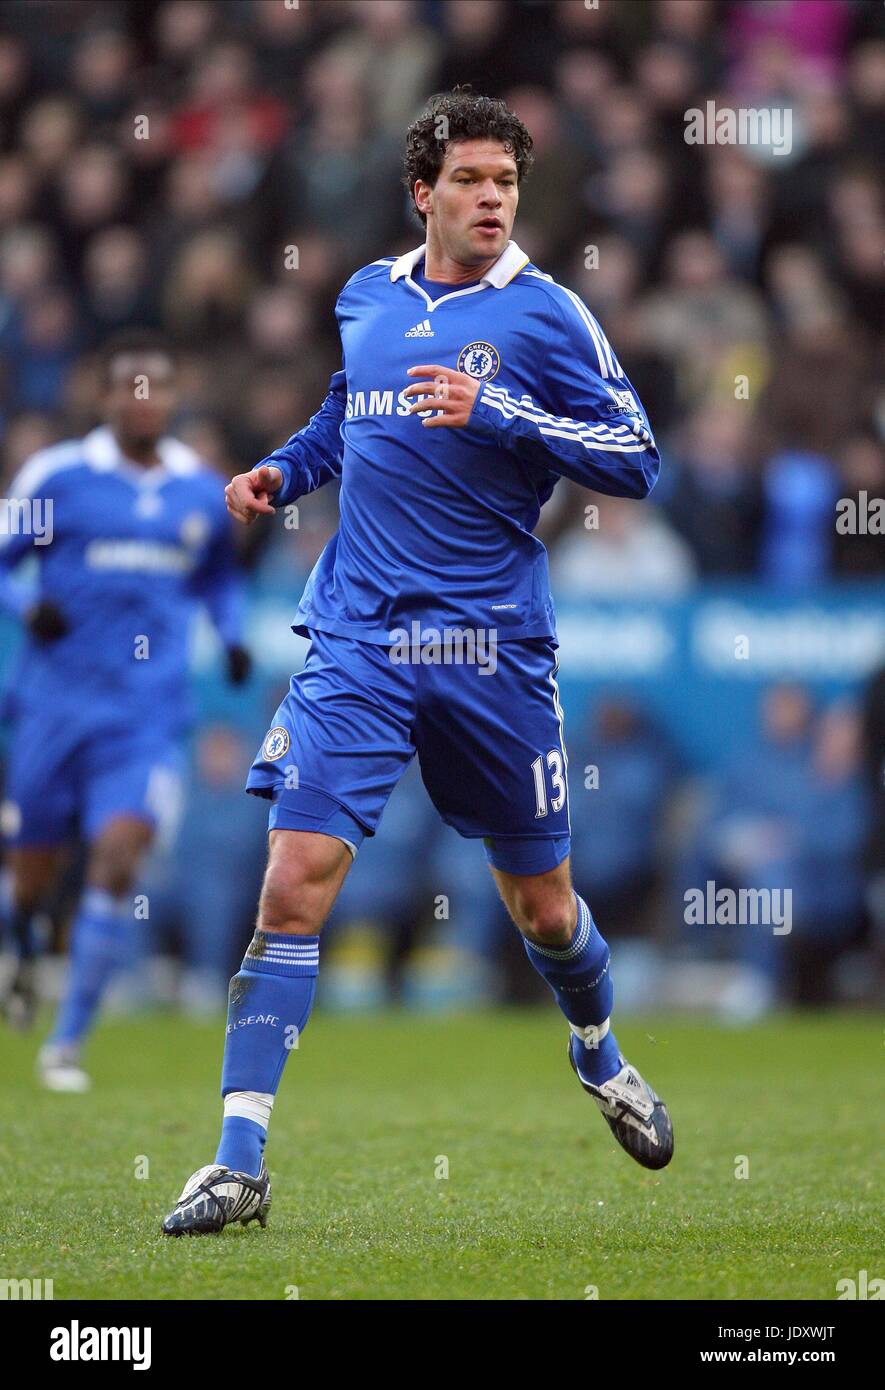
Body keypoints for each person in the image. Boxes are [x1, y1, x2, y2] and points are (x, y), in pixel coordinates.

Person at [162, 89, 672, 1238]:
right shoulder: (364, 298)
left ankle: (598, 1051)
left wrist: (500, 412)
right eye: (473, 181)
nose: (493, 200)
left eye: (507, 184)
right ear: (423, 192)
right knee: (293, 878)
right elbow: (346, 416)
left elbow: (638, 455)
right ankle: (238, 1160)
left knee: (543, 910)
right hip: (360, 637)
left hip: (491, 648)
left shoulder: (545, 315)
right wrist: (281, 476)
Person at [0, 329, 249, 1090]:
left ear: (174, 397)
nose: (144, 401)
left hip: (146, 714)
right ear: (104, 396)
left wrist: (232, 635)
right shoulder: (61, 478)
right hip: (54, 707)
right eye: (128, 386)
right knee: (34, 874)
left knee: (116, 856)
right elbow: (4, 562)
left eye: (157, 387)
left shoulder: (199, 491)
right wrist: (27, 602)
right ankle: (25, 947)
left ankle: (66, 1042)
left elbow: (217, 578)